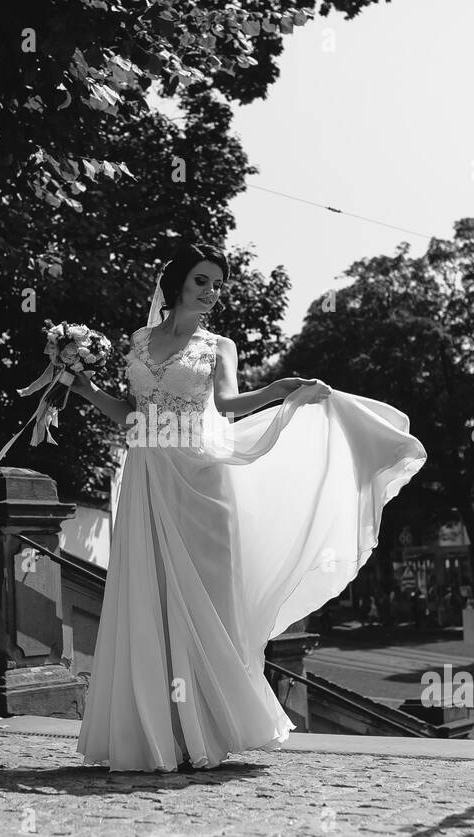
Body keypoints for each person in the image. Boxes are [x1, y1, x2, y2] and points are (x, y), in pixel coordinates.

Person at [69, 243, 428, 771]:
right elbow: (130, 414)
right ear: (176, 284)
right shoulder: (139, 341)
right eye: (201, 281)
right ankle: (155, 734)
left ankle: (207, 731)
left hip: (202, 477)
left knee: (207, 601)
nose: (211, 292)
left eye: (217, 283)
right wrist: (84, 388)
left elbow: (227, 408)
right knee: (148, 594)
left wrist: (280, 390)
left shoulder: (220, 346)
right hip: (147, 474)